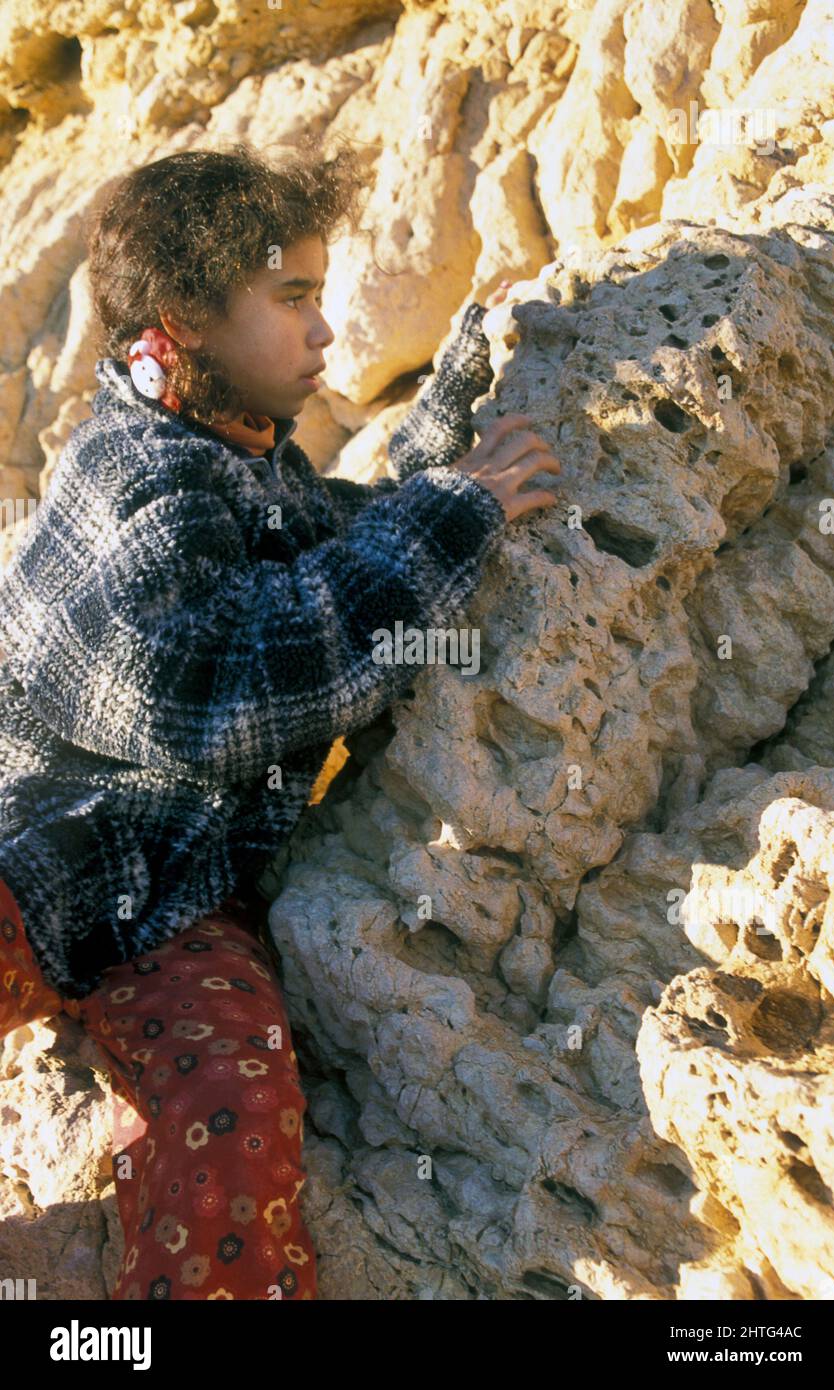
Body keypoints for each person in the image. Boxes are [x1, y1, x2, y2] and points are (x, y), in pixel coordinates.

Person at [0, 141, 560, 1301]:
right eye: (293, 297)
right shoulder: (133, 476)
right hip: (37, 854)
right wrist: (452, 521)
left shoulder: (254, 459)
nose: (324, 331)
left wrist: (458, 413)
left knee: (232, 1110)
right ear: (184, 322)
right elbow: (219, 684)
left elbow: (341, 545)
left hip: (175, 896)